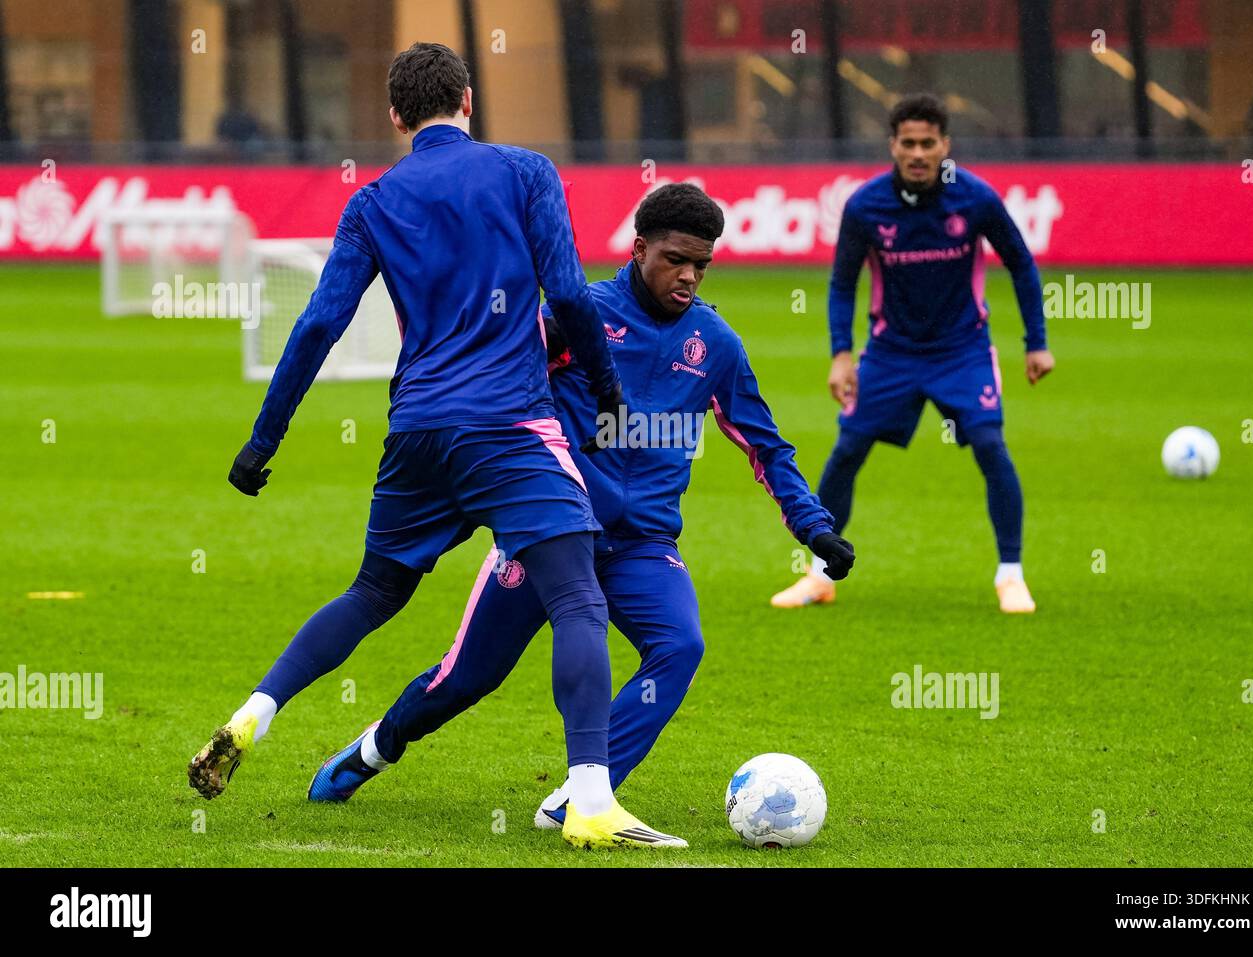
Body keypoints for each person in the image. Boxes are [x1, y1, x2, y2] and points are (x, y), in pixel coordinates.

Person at [188, 42, 675, 847]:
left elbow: (318, 324)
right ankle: (590, 798)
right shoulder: (525, 172)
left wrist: (261, 439)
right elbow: (568, 295)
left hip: (416, 432)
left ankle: (254, 712)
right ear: (469, 99)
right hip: (510, 425)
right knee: (579, 596)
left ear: (395, 117)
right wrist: (611, 392)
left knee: (374, 592)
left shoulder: (373, 202)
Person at [306, 183, 855, 848]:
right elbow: (490, 378)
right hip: (549, 534)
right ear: (639, 247)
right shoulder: (580, 314)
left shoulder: (716, 344)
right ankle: (374, 749)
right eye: (676, 259)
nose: (689, 275)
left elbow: (765, 446)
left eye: (702, 265)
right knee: (466, 678)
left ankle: (579, 796)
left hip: (644, 544)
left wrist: (815, 526)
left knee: (680, 645)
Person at [770, 93, 1053, 614]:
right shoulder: (865, 206)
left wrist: (1035, 342)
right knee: (847, 450)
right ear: (893, 146)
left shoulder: (975, 198)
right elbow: (841, 284)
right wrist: (841, 354)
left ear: (945, 145)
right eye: (908, 143)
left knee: (991, 445)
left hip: (963, 349)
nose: (918, 153)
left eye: (928, 143)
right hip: (891, 353)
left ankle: (1010, 575)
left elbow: (1021, 263)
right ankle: (819, 575)